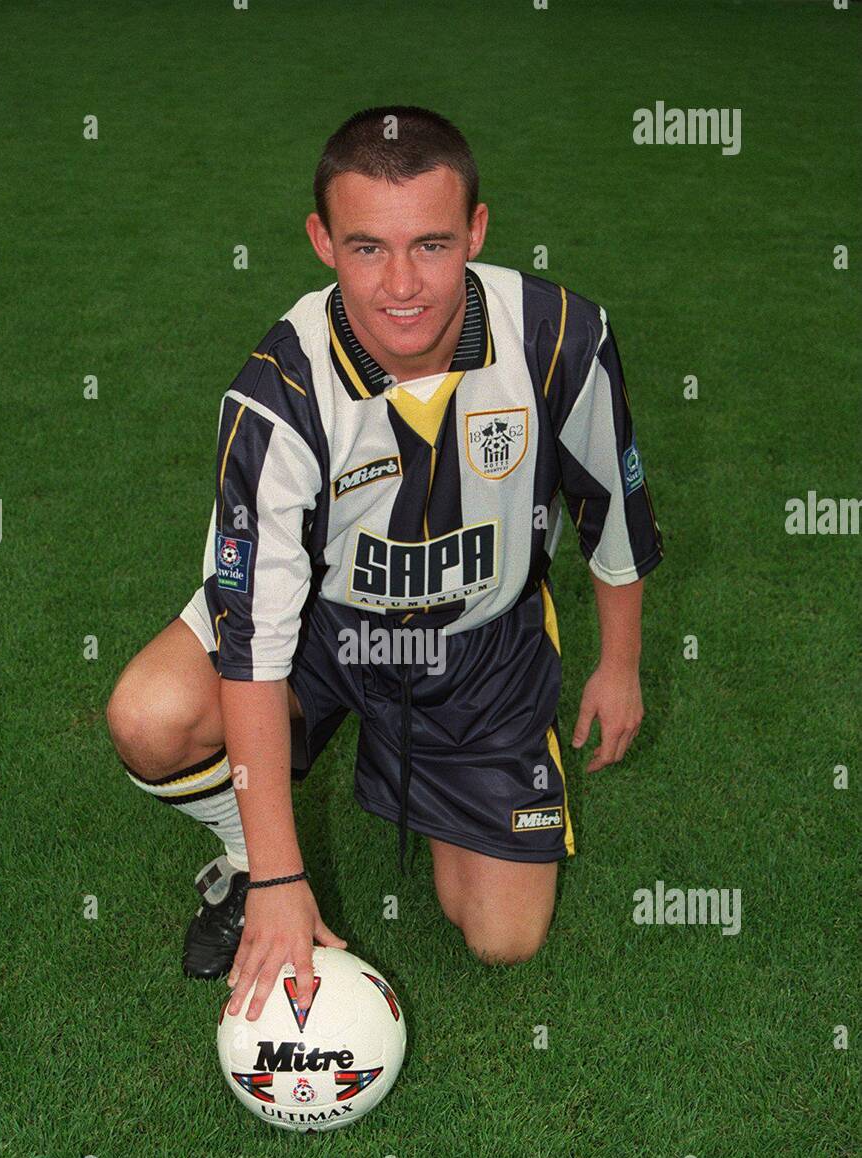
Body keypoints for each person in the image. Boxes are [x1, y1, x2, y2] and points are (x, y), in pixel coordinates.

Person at [106, 106, 663, 1024]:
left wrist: (621, 663)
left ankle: (435, 767)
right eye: (368, 248)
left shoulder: (561, 338)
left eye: (431, 245)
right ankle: (243, 856)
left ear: (476, 232)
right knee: (152, 714)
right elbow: (253, 647)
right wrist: (278, 876)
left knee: (504, 936)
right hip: (322, 633)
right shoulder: (279, 392)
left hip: (479, 650)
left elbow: (612, 509)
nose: (402, 285)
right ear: (322, 241)